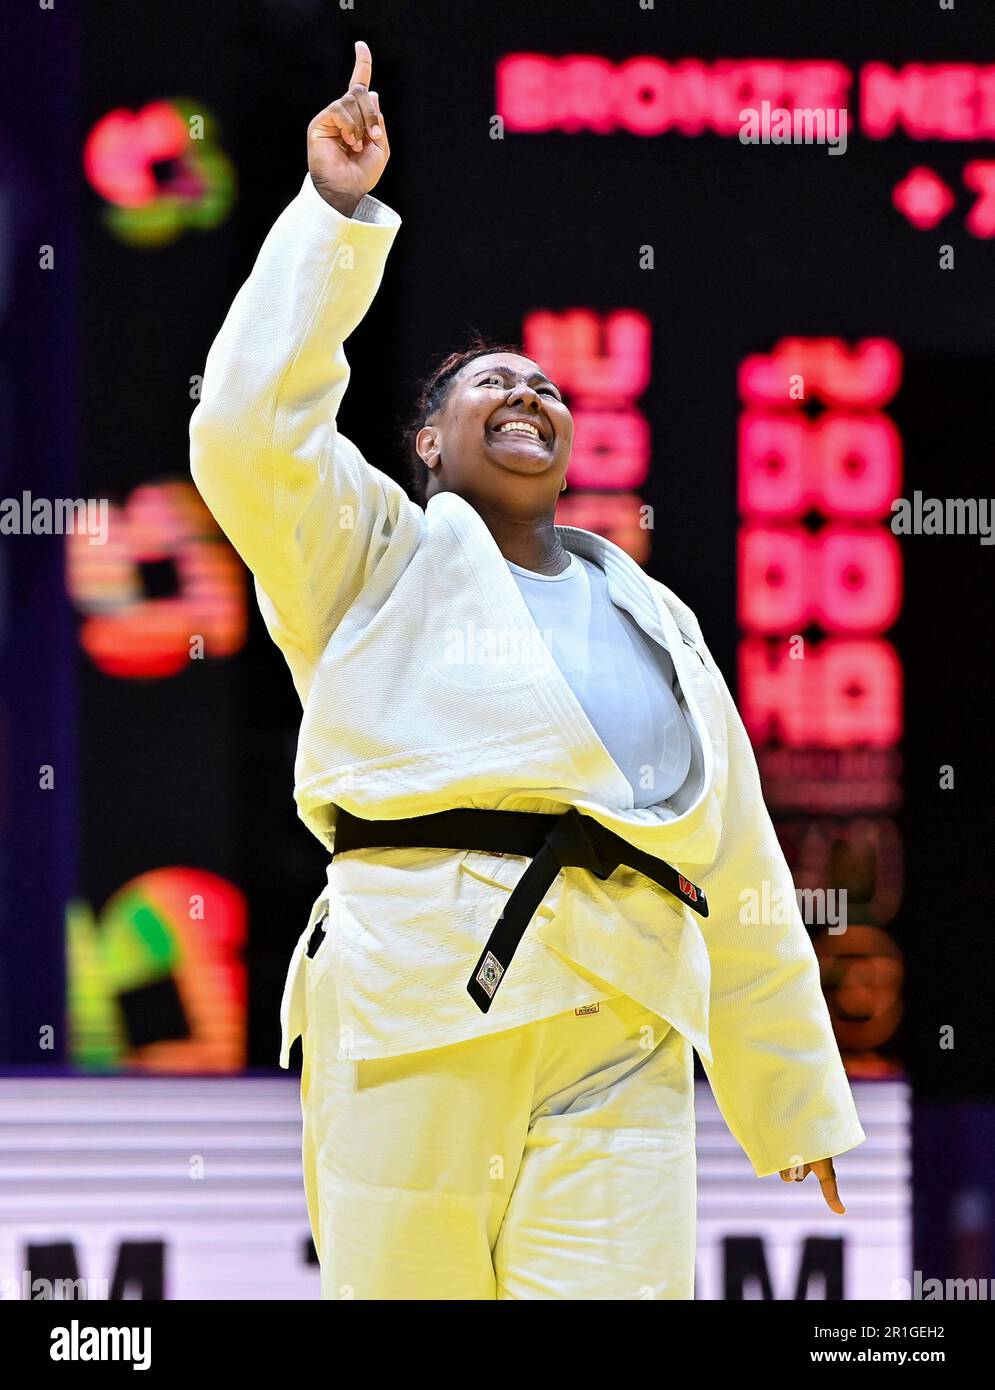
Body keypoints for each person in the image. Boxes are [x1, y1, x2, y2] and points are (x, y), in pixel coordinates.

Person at [190, 39, 866, 1300]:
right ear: (427, 446)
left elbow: (741, 863)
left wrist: (792, 1103)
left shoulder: (651, 613)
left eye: (544, 387)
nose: (528, 394)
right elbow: (244, 430)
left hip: (623, 1019)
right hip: (412, 998)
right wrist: (332, 215)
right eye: (489, 384)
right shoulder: (370, 557)